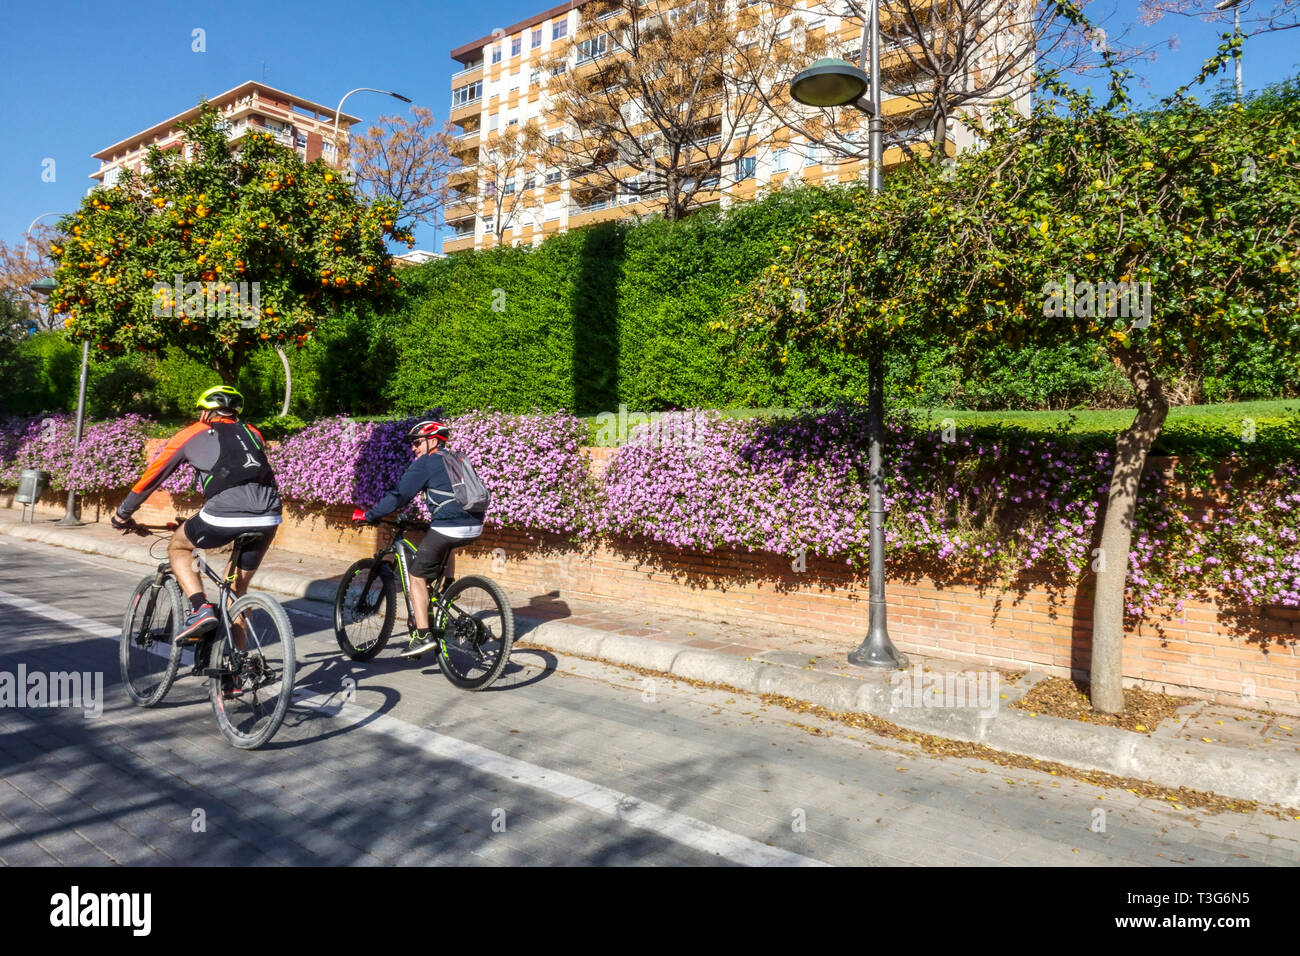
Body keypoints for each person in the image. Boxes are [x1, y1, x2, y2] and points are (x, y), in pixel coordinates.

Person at [112, 385, 282, 644]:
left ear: (205, 413)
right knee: (236, 590)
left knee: (179, 547)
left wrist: (123, 514)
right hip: (269, 515)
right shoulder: (253, 433)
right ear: (233, 413)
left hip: (224, 515)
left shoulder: (192, 433)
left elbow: (153, 476)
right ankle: (234, 674)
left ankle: (200, 609)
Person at [354, 419, 484, 658]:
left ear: (432, 440)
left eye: (416, 442)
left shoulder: (427, 462)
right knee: (445, 543)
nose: (413, 448)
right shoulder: (458, 459)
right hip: (474, 525)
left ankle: (423, 634)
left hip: (450, 526)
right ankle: (448, 588)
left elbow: (399, 496)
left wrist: (371, 514)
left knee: (416, 576)